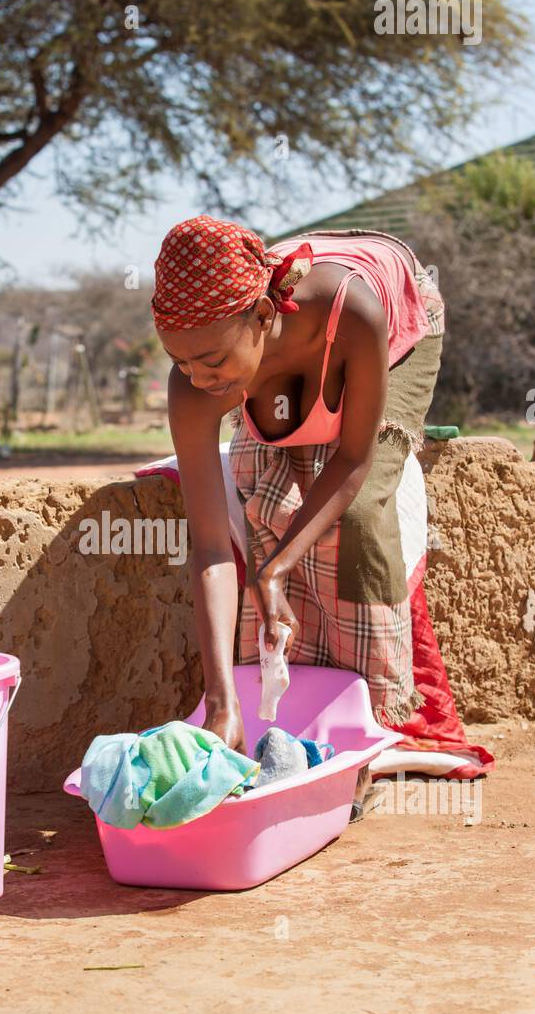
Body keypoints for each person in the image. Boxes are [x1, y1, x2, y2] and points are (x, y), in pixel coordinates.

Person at [153, 215, 445, 767]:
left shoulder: (352, 311)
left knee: (355, 517)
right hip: (292, 334)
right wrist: (222, 700)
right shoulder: (195, 381)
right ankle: (286, 717)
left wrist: (278, 571)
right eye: (179, 363)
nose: (198, 380)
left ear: (264, 315)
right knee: (264, 502)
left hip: (398, 307)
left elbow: (355, 460)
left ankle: (377, 724)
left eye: (213, 361)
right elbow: (213, 548)